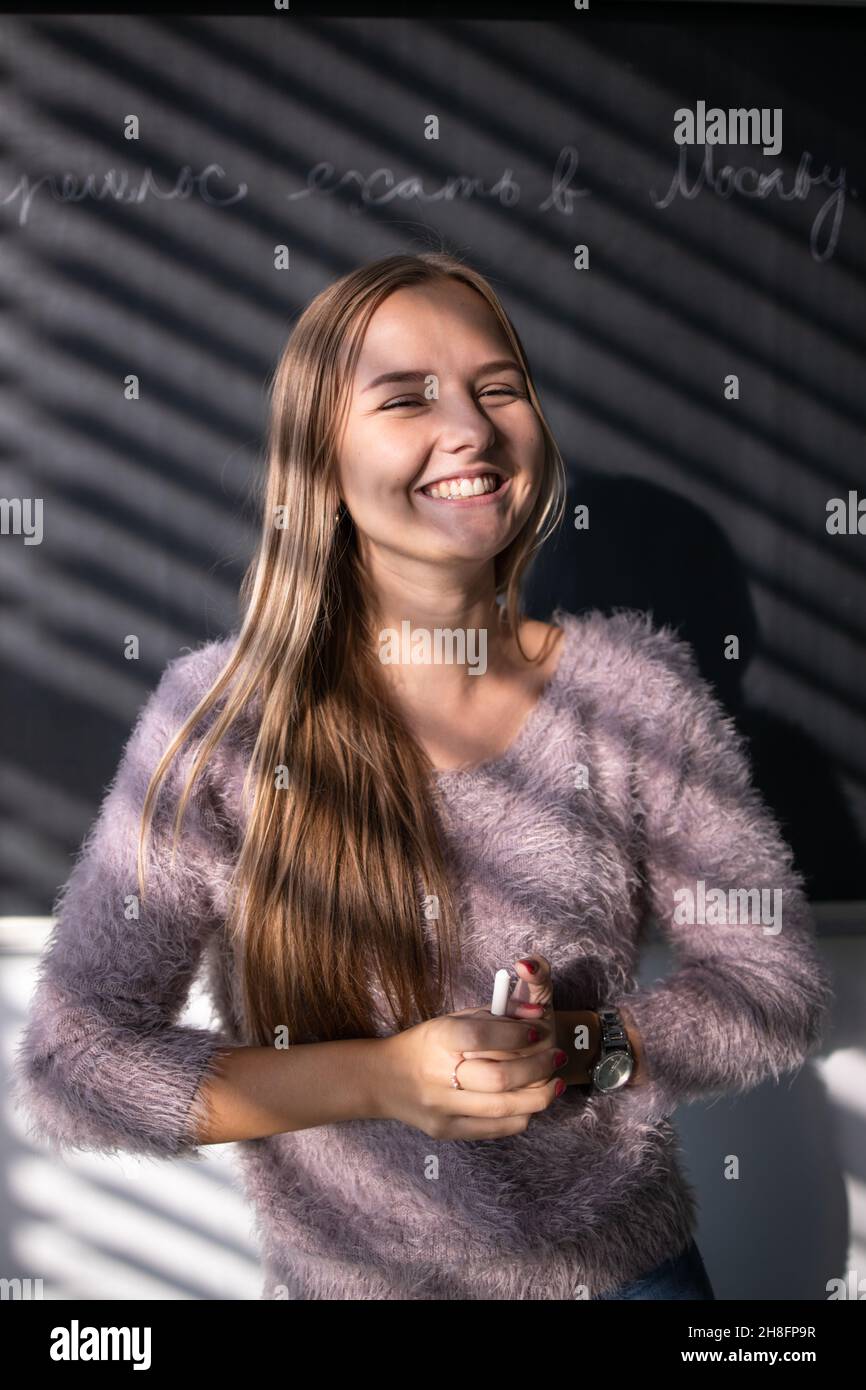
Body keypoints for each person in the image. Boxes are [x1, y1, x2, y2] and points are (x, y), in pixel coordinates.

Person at [13, 251, 834, 1301]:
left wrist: (586, 1048)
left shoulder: (633, 693)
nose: (475, 429)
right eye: (407, 398)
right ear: (320, 459)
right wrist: (386, 1080)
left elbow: (771, 987)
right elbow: (75, 1065)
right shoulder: (221, 720)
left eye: (499, 388)